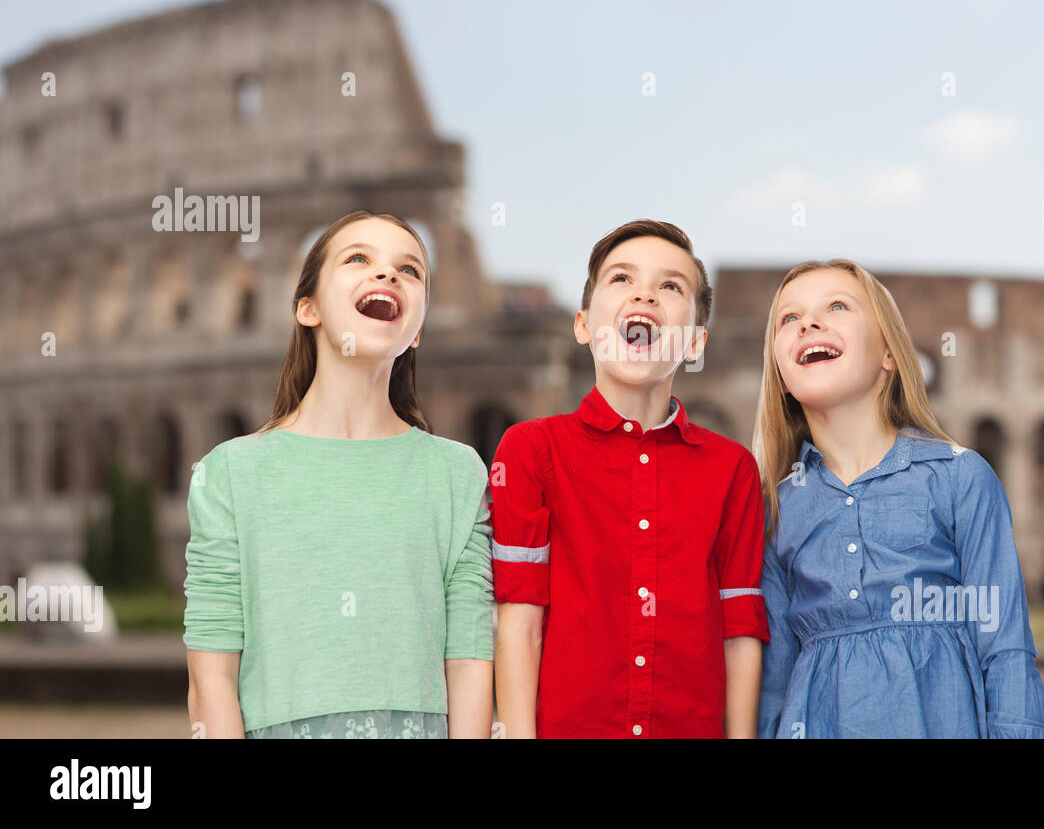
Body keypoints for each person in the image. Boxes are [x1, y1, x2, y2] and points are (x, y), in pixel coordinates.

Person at [183, 210, 495, 738]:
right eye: (358, 259)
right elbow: (211, 676)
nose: (388, 274)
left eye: (410, 270)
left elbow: (469, 663)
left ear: (418, 329)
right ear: (307, 308)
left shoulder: (457, 474)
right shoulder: (229, 474)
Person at [491, 219, 769, 738]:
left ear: (695, 342)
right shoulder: (530, 450)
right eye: (621, 279)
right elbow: (519, 623)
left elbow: (739, 627)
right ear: (582, 326)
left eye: (671, 286)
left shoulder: (732, 469)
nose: (645, 293)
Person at [755, 259, 1044, 738]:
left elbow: (1005, 647)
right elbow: (774, 679)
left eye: (837, 306)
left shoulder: (959, 477)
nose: (808, 322)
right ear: (782, 375)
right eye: (789, 318)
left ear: (888, 352)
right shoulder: (776, 506)